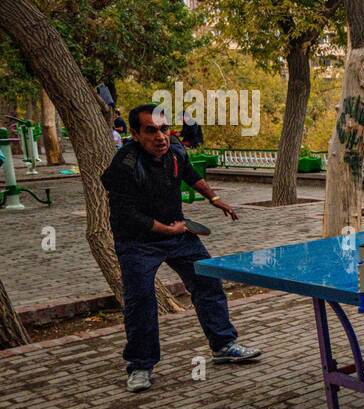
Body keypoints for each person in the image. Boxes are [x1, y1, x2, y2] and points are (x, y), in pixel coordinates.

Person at [101, 103, 260, 392]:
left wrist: (214, 199)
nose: (160, 137)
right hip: (138, 241)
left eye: (164, 129)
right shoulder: (124, 165)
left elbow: (189, 174)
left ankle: (224, 345)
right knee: (141, 301)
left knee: (207, 280)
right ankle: (140, 366)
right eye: (151, 131)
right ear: (135, 134)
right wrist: (167, 229)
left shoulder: (174, 149)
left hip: (178, 232)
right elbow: (126, 215)